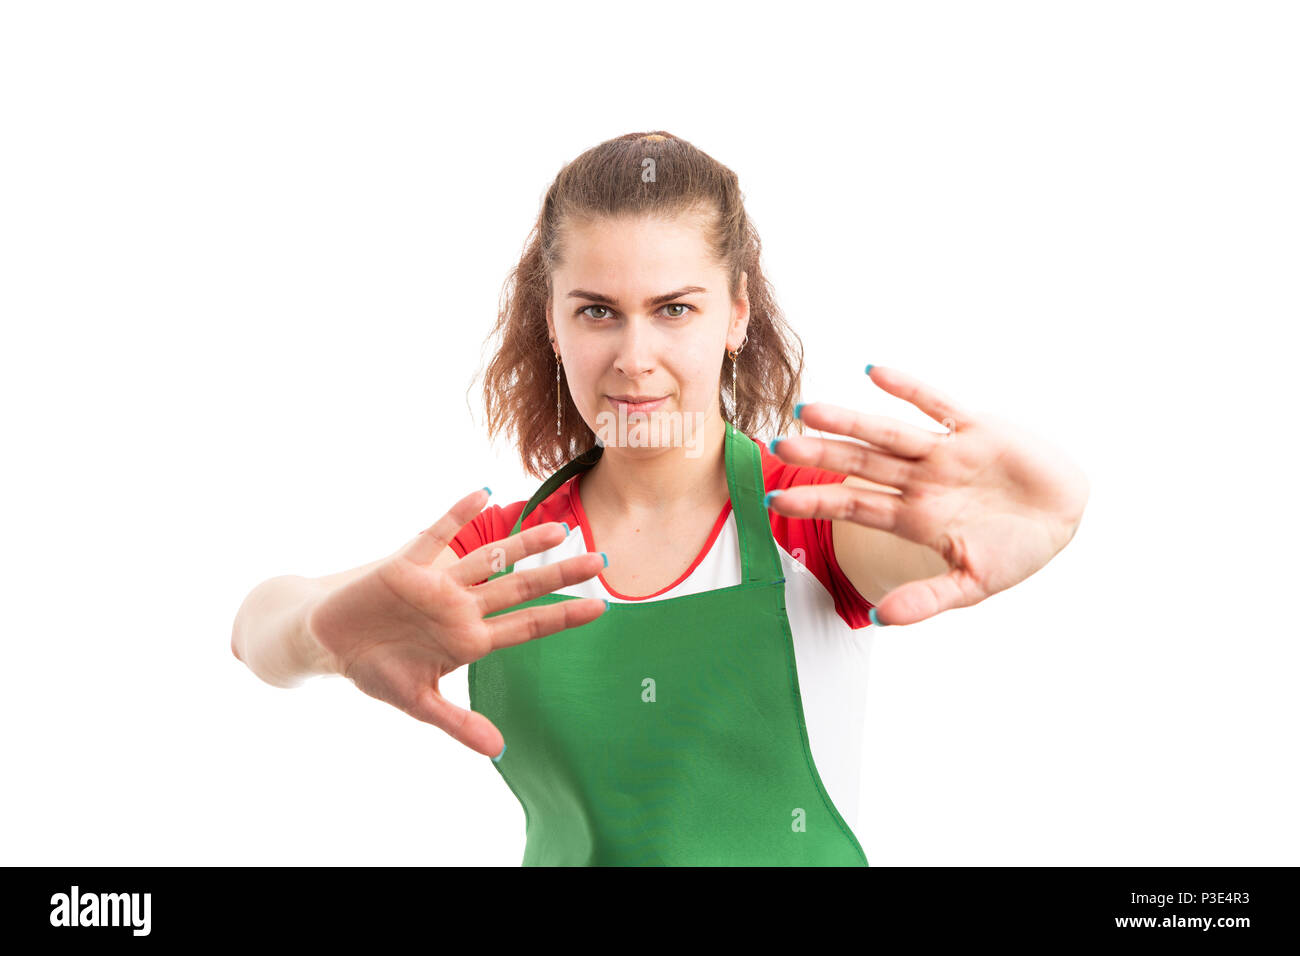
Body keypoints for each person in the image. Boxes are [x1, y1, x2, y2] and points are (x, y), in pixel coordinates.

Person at [231, 131, 1091, 866]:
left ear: (736, 314)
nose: (635, 357)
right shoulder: (510, 552)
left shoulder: (810, 519)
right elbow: (259, 628)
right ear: (553, 322)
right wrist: (316, 634)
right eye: (598, 312)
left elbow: (927, 542)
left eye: (674, 308)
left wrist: (1039, 512)